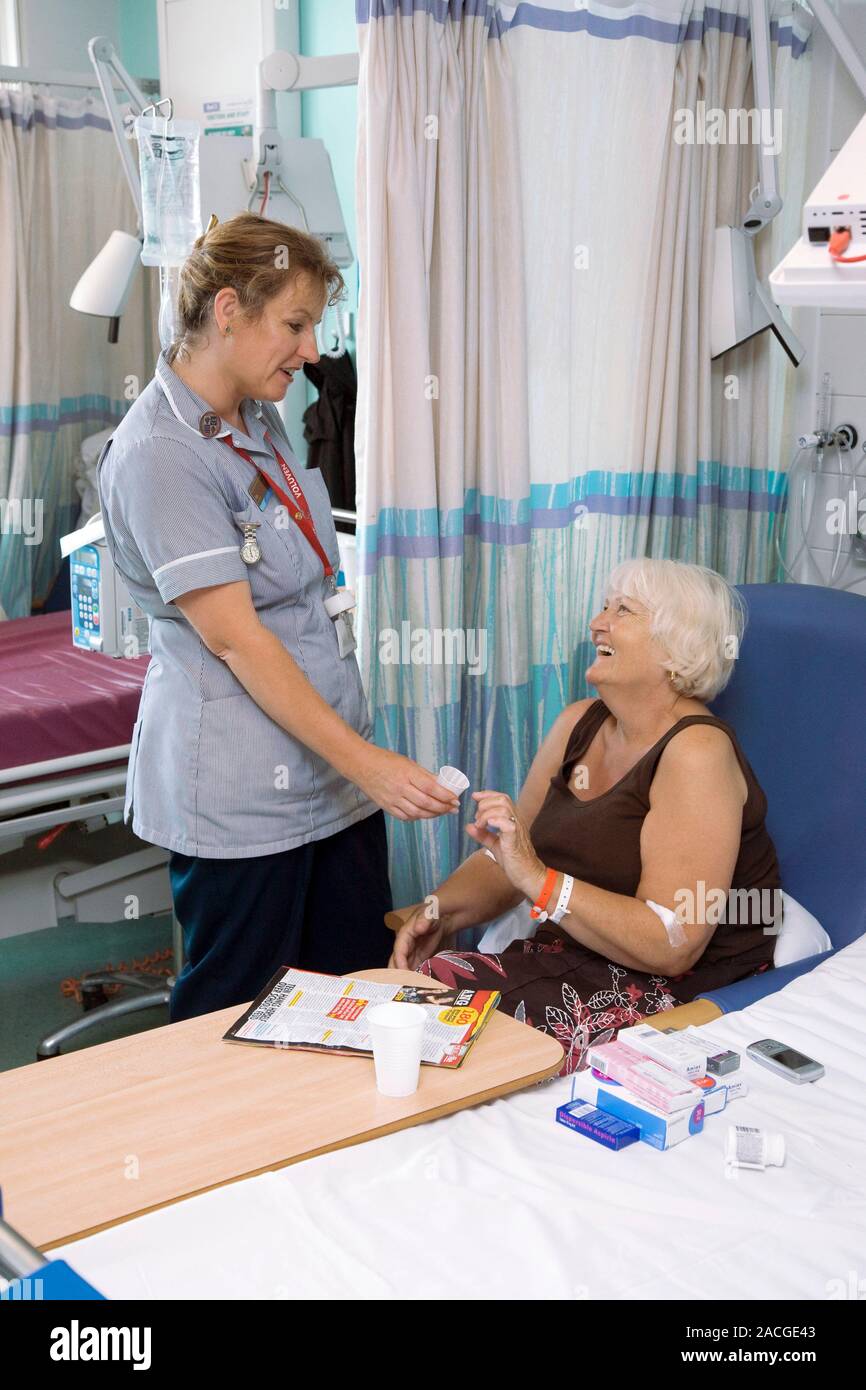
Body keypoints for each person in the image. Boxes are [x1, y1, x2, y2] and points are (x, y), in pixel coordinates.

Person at [97, 213, 458, 1021]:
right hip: (241, 794)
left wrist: (355, 769)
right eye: (294, 326)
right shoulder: (161, 454)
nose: (311, 351)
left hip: (329, 773)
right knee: (236, 1018)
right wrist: (370, 764)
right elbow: (238, 639)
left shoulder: (257, 415)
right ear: (228, 310)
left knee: (353, 1000)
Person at [391, 559, 781, 1074]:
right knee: (422, 993)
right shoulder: (579, 722)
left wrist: (539, 880)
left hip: (683, 985)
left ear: (675, 647)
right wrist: (442, 910)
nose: (597, 622)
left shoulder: (696, 753)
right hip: (578, 955)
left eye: (623, 610)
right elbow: (510, 858)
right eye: (604, 606)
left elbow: (672, 945)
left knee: (452, 1023)